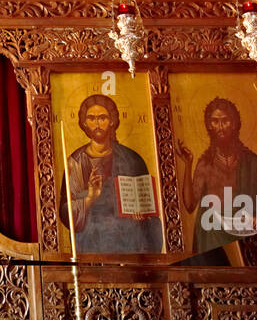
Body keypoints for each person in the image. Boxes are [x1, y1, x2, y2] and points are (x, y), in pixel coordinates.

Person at [59, 94, 163, 253]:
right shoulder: (76, 162)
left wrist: (142, 215)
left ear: (112, 121)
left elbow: (149, 206)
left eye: (102, 118)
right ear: (84, 123)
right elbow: (65, 212)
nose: (97, 124)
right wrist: (90, 198)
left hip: (127, 241)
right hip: (91, 243)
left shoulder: (132, 159)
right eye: (92, 118)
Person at [176, 97, 257, 254]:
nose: (220, 127)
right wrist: (188, 164)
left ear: (234, 124)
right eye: (215, 121)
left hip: (246, 236)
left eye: (225, 121)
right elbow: (190, 204)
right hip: (212, 236)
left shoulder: (252, 162)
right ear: (209, 126)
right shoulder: (205, 164)